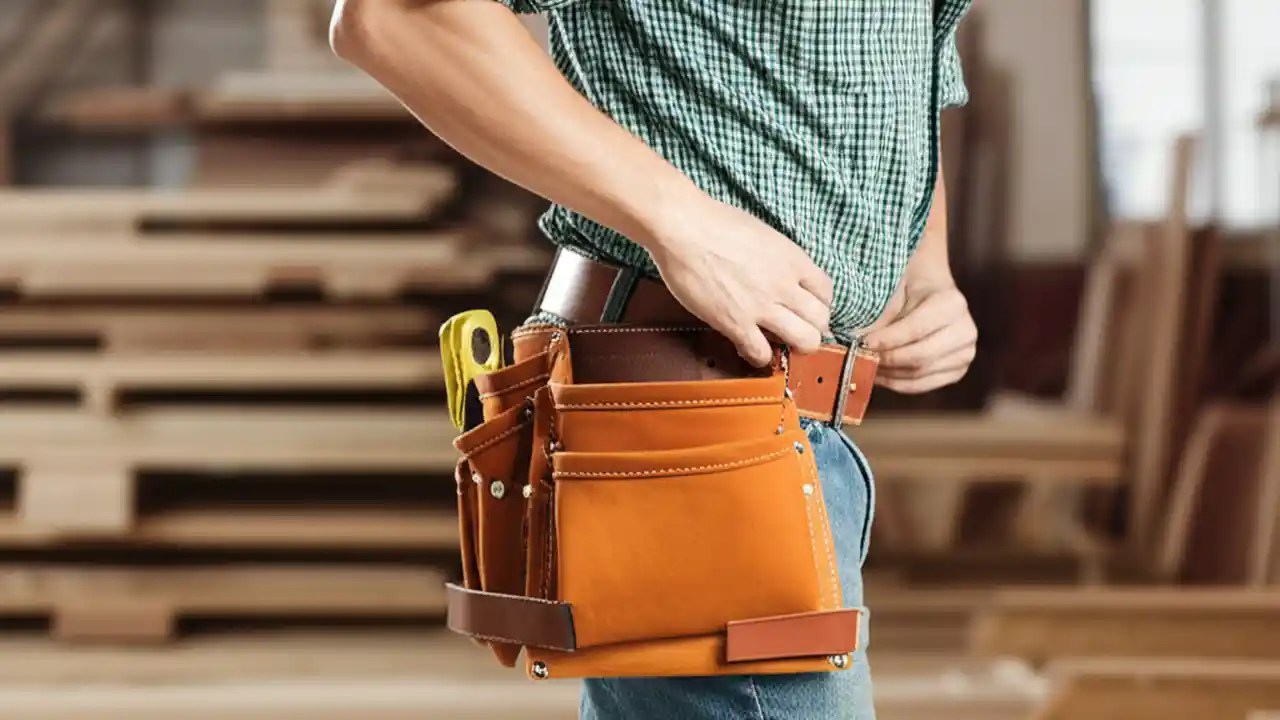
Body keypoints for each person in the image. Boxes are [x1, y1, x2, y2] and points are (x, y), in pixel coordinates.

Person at [332, 1, 978, 717]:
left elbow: (903, 63)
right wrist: (680, 222)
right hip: (696, 404)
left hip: (785, 423)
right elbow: (392, 16)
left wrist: (926, 270)